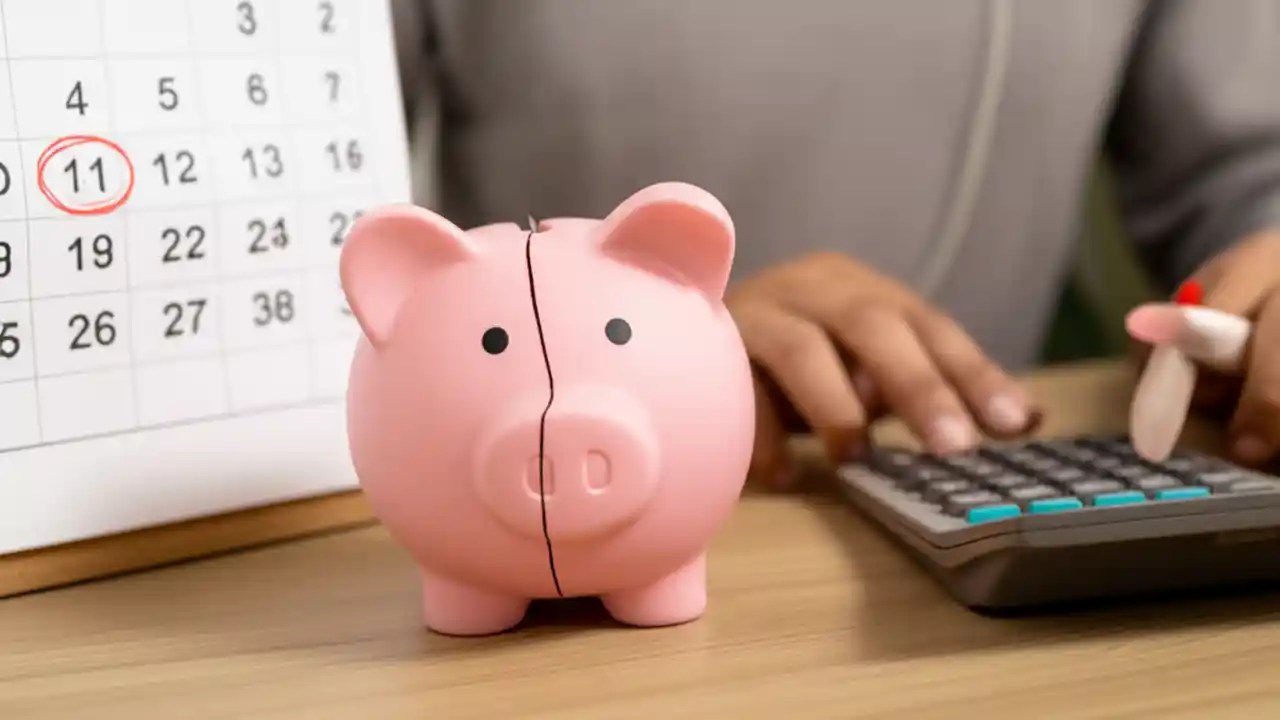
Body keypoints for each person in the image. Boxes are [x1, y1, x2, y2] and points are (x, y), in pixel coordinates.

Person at [388, 0, 1280, 487]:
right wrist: (665, 355)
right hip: (550, 516)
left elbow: (1242, 176)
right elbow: (324, 270)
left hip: (987, 494)